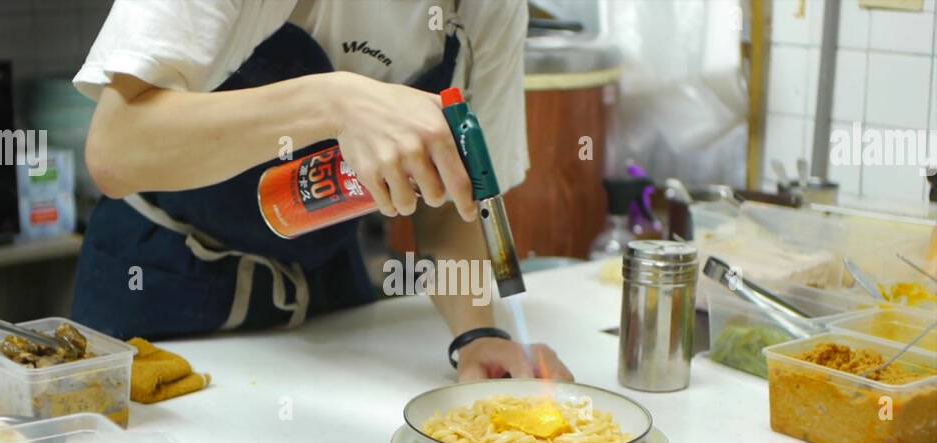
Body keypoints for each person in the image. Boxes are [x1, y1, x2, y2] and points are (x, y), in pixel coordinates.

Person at [73, 0, 572, 381]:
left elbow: (450, 199)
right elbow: (116, 150)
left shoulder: (489, 9)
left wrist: (477, 334)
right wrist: (333, 103)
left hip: (326, 302)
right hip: (160, 293)